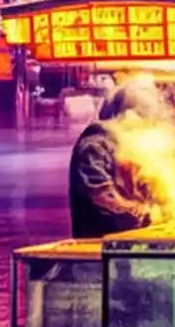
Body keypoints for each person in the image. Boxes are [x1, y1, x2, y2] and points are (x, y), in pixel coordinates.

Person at [67, 79, 168, 238]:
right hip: (99, 251)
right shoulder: (94, 148)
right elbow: (102, 200)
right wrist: (148, 215)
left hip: (132, 246)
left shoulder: (129, 145)